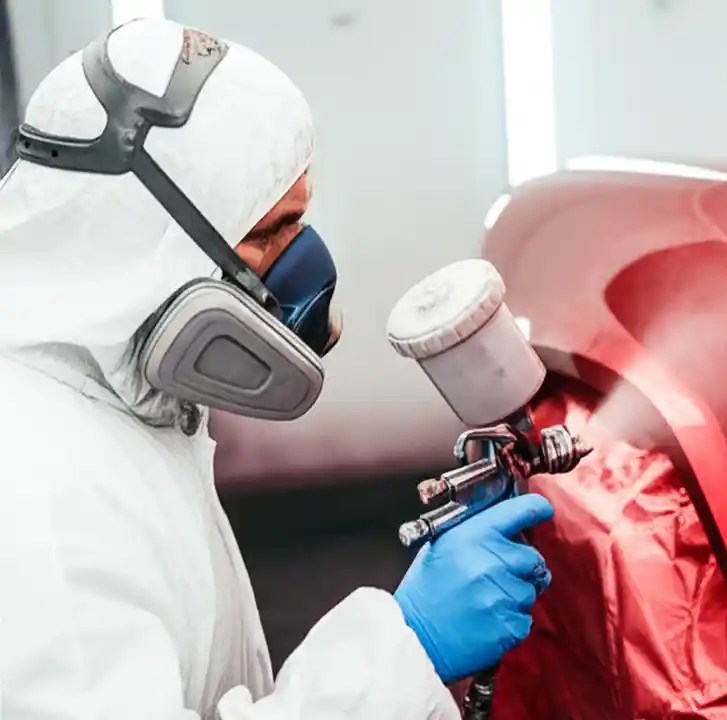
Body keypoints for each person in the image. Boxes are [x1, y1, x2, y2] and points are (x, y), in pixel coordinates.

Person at [0, 18, 553, 719]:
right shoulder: (36, 501)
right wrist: (406, 650)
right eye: (268, 234)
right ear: (144, 248)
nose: (301, 268)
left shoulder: (113, 404)